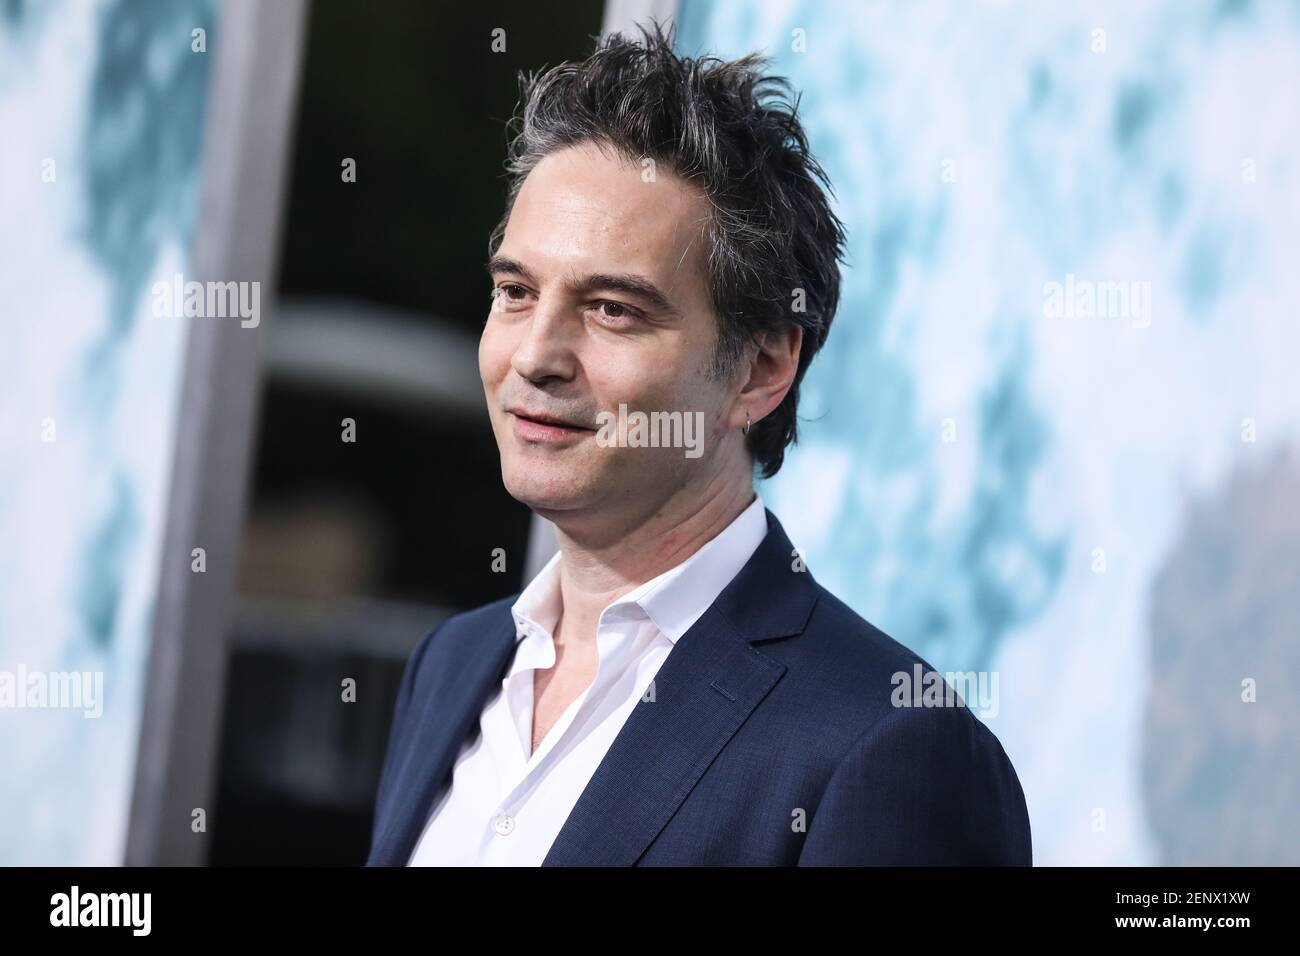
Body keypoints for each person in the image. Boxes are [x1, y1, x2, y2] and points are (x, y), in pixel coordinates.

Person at [366, 21, 1031, 866]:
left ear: (760, 368)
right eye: (517, 292)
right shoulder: (451, 665)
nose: (535, 356)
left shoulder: (889, 748)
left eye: (613, 310)